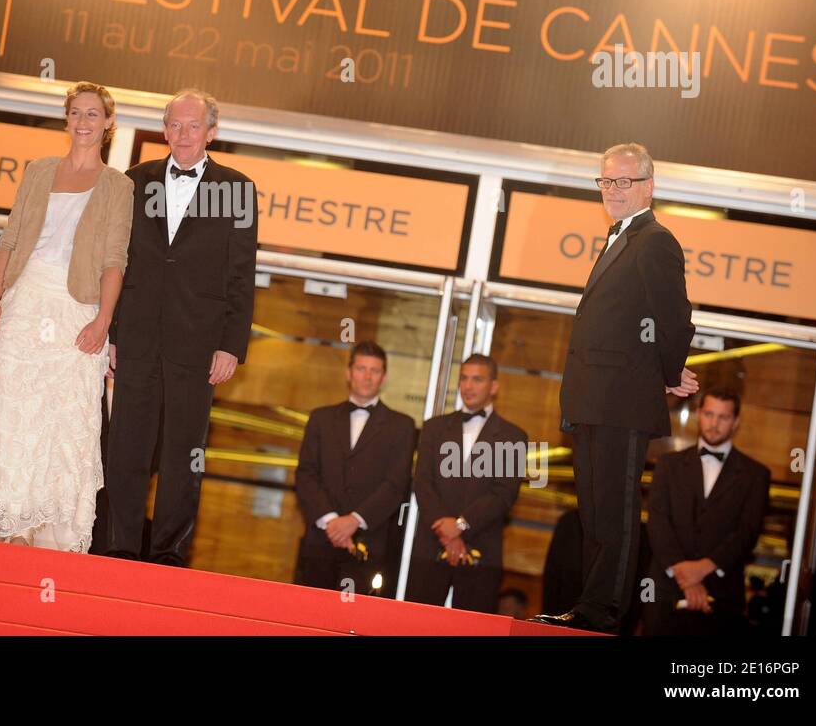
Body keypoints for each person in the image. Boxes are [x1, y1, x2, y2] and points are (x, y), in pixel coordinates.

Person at [0, 82, 132, 553]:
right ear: (67, 120)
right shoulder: (39, 171)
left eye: (93, 114)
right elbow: (12, 240)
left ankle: (37, 536)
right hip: (23, 303)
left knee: (57, 421)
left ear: (107, 124)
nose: (83, 122)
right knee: (4, 409)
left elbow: (114, 259)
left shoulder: (118, 185)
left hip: (76, 313)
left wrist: (103, 321)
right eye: (76, 113)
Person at [531, 142, 697, 632]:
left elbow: (674, 318)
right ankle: (589, 604)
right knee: (595, 512)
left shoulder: (655, 240)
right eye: (606, 181)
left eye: (623, 181)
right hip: (594, 399)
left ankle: (603, 612)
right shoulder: (619, 237)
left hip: (621, 401)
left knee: (616, 511)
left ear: (649, 185)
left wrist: (668, 373)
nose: (613, 191)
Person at [102, 90, 258, 566]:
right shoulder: (134, 181)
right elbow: (116, 261)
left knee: (183, 454)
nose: (183, 134)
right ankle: (118, 547)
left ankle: (168, 553)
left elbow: (241, 273)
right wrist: (110, 332)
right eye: (174, 125)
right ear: (164, 128)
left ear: (212, 132)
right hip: (136, 336)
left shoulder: (238, 189)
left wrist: (231, 344)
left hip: (199, 341)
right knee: (125, 446)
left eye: (193, 126)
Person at [294, 341, 416, 598]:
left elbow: (396, 484)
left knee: (354, 623)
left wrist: (353, 521)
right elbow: (306, 474)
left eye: (375, 370)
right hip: (319, 540)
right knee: (309, 618)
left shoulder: (402, 426)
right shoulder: (320, 418)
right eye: (361, 368)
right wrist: (331, 522)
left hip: (368, 546)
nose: (367, 376)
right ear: (349, 373)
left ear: (383, 377)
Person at [644, 387, 769, 635]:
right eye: (709, 414)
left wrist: (703, 568)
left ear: (736, 422)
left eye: (723, 417)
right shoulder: (668, 465)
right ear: (699, 414)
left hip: (723, 594)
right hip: (663, 591)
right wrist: (686, 574)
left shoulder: (756, 475)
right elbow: (657, 522)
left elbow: (748, 531)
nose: (714, 424)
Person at [407, 355, 527, 613]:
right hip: (430, 547)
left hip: (482, 549)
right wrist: (445, 529)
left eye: (477, 379)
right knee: (416, 625)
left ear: (494, 386)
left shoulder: (514, 436)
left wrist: (460, 526)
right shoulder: (433, 428)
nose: (468, 386)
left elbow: (503, 494)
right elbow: (423, 482)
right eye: (464, 378)